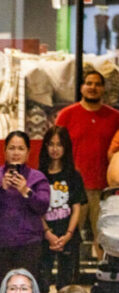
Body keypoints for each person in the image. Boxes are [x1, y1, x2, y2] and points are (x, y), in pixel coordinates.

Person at [0, 131, 50, 293]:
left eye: (20, 148)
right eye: (11, 148)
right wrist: (1, 189)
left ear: (28, 152)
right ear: (4, 151)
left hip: (29, 246)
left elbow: (43, 205)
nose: (16, 152)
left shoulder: (37, 177)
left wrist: (26, 191)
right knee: (0, 292)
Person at [58, 71, 119, 251]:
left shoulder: (115, 117)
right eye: (89, 83)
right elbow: (55, 148)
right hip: (74, 187)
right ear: (81, 87)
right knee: (69, 238)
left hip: (105, 191)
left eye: (97, 84)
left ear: (103, 89)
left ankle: (104, 275)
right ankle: (70, 277)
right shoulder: (67, 115)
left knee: (105, 239)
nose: (93, 87)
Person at [37, 126, 85, 293]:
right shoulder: (38, 175)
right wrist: (47, 233)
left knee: (67, 285)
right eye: (51, 144)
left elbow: (76, 207)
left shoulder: (73, 175)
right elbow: (36, 209)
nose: (55, 149)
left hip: (68, 235)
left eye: (59, 144)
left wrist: (69, 234)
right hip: (45, 236)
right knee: (42, 282)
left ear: (66, 147)